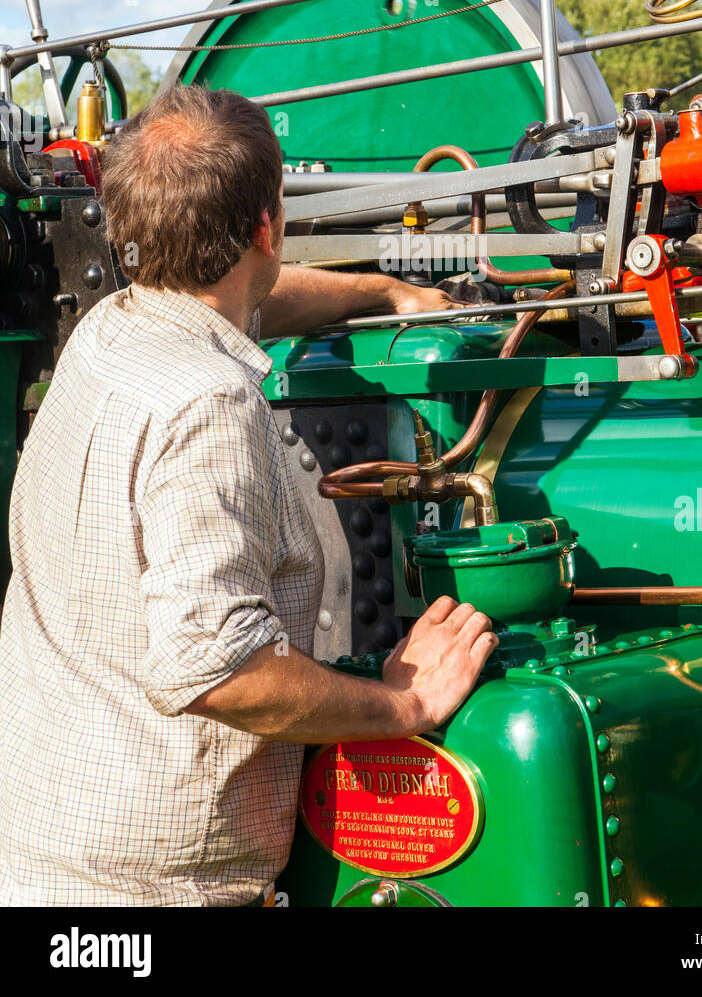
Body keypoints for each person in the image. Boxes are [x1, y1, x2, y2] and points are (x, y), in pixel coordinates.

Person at [0, 85, 497, 906]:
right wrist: (404, 702)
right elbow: (220, 668)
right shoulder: (210, 403)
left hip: (44, 849)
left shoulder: (108, 327)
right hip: (148, 896)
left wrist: (383, 292)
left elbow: (247, 299)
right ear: (267, 226)